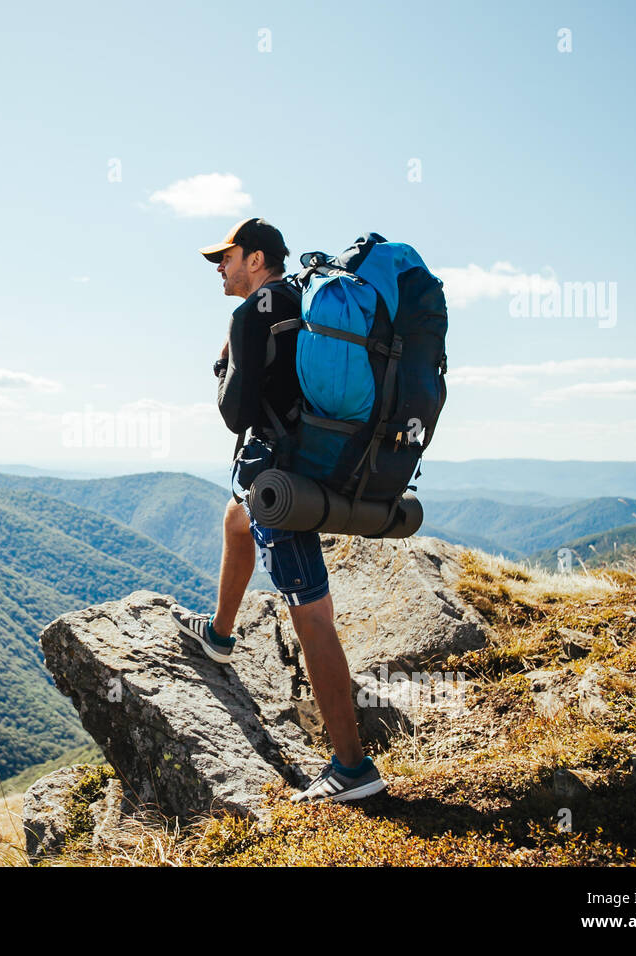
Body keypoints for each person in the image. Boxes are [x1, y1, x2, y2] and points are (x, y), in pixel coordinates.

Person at [170, 217, 385, 804]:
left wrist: (222, 365)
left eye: (227, 256)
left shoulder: (249, 315)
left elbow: (235, 412)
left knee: (310, 614)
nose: (220, 268)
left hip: (278, 479)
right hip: (312, 464)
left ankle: (352, 768)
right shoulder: (305, 299)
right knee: (235, 518)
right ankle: (219, 633)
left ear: (257, 258)